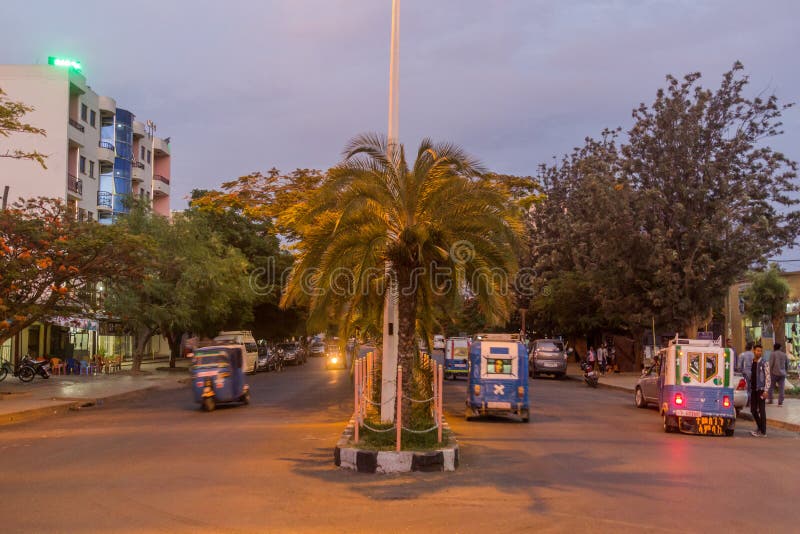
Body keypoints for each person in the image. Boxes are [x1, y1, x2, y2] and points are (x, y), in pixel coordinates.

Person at [750, 344, 771, 437]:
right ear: (753, 351)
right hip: (753, 389)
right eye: (757, 350)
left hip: (761, 389)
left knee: (762, 410)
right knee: (753, 410)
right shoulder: (752, 361)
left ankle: (763, 432)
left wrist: (766, 390)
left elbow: (768, 376)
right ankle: (760, 428)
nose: (759, 352)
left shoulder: (764, 362)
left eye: (760, 351)